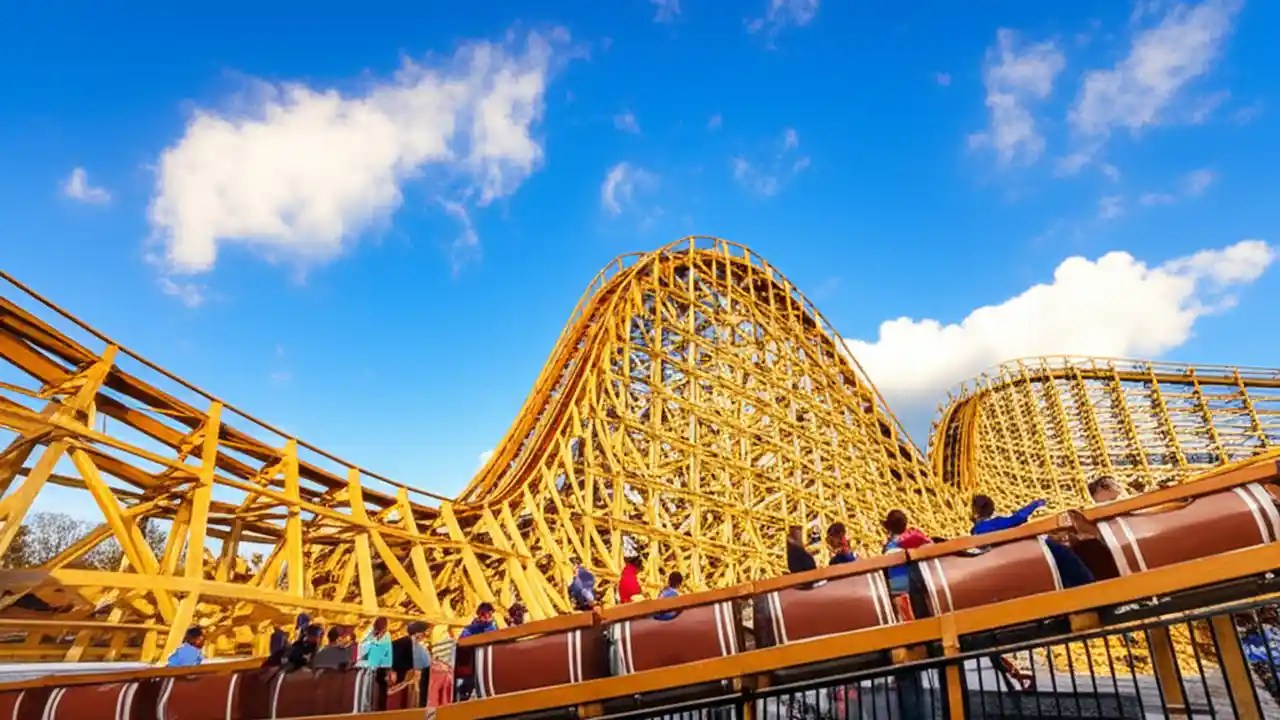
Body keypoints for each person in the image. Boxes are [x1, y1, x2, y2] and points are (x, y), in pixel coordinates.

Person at [882, 510, 931, 595]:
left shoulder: (890, 547)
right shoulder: (917, 538)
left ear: (890, 530)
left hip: (902, 587)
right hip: (926, 582)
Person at [359, 618, 396, 710]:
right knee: (371, 698)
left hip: (374, 672)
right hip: (372, 672)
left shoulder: (384, 635)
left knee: (373, 699)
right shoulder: (371, 635)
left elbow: (387, 654)